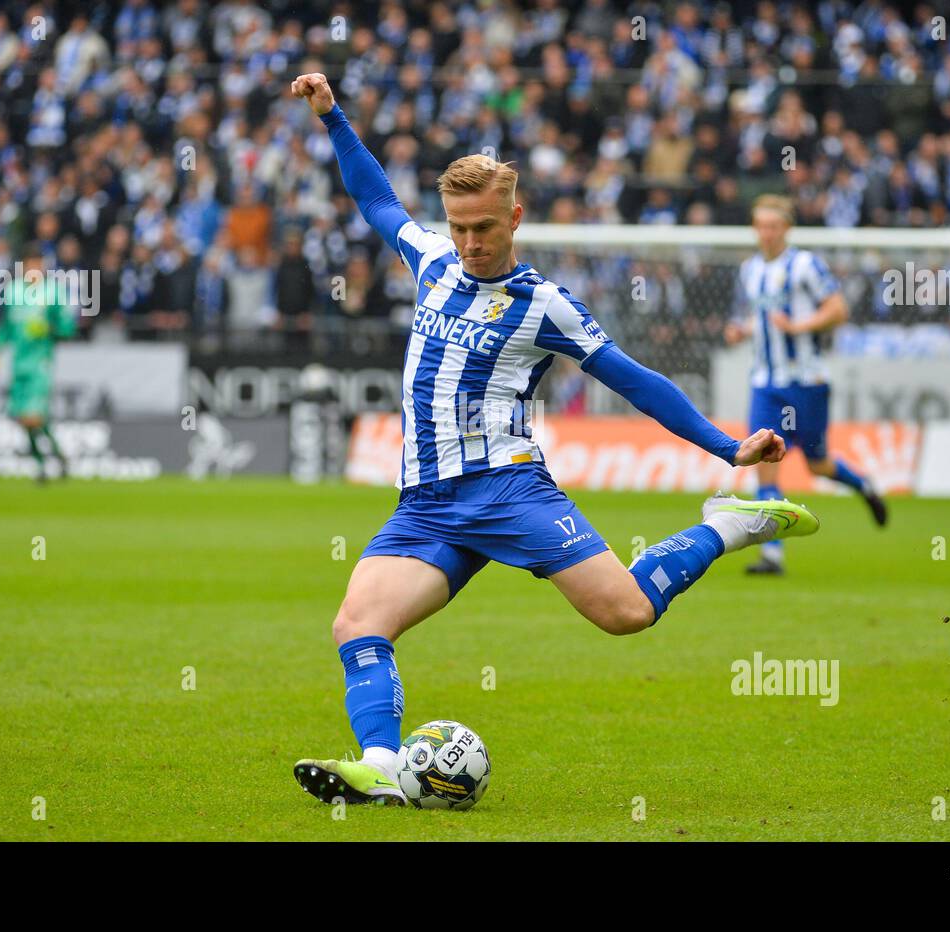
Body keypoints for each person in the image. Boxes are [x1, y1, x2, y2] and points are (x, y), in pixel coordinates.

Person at [287, 74, 819, 807]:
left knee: (626, 613)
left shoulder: (547, 306)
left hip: (508, 490)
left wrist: (728, 449)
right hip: (428, 502)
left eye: (484, 227)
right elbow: (377, 199)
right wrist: (333, 117)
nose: (469, 242)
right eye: (459, 226)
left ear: (515, 217)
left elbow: (636, 381)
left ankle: (725, 525)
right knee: (357, 622)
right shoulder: (432, 259)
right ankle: (381, 765)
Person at [725, 194, 887, 576]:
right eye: (760, 226)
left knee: (817, 466)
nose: (766, 234)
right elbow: (761, 319)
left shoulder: (805, 265)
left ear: (786, 229)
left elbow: (838, 310)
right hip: (765, 383)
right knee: (763, 463)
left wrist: (799, 327)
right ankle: (772, 555)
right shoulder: (750, 270)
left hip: (807, 382)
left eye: (773, 227)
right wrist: (741, 331)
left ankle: (863, 485)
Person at [0, 242, 76, 481]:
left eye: (39, 264)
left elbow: (68, 328)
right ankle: (54, 458)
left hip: (40, 363)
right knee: (23, 419)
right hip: (19, 364)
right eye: (30, 264)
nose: (34, 268)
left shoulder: (53, 291)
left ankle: (42, 466)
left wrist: (50, 327)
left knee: (33, 417)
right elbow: (6, 326)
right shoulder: (14, 291)